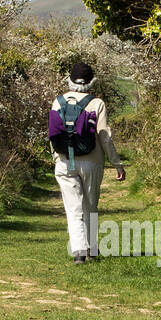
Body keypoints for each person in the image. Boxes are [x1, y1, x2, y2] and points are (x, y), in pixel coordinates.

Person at [48, 61, 125, 263]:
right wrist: (116, 163)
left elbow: (53, 134)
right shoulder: (97, 103)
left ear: (70, 81)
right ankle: (92, 250)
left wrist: (56, 156)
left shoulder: (58, 101)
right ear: (91, 82)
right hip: (92, 161)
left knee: (73, 209)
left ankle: (79, 253)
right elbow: (104, 137)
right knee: (91, 206)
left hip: (65, 161)